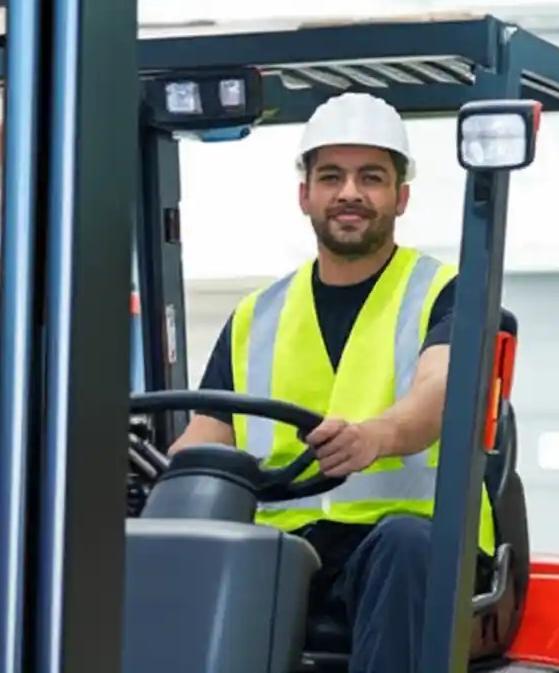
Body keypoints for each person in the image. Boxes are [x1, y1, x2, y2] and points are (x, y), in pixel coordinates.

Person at [169, 92, 505, 671]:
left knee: (405, 545)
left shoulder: (446, 292)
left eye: (370, 177)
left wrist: (376, 436)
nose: (349, 192)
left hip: (411, 548)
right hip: (291, 553)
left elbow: (442, 392)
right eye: (331, 176)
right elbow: (203, 439)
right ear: (306, 195)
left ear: (400, 196)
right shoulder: (257, 313)